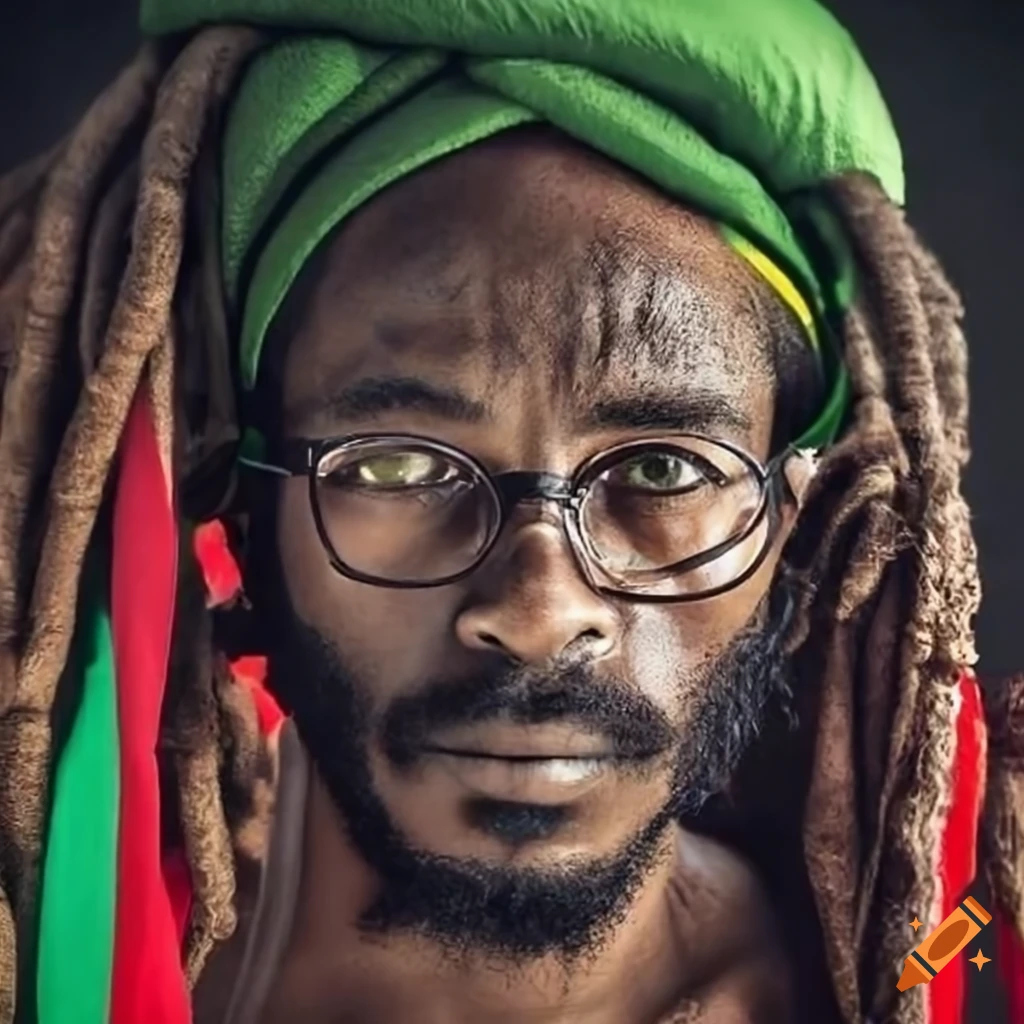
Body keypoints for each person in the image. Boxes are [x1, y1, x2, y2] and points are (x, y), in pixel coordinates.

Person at [0, 1, 1021, 1022]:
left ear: (789, 531)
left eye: (664, 469)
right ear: (246, 511)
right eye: (398, 465)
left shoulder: (919, 965)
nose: (538, 609)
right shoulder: (65, 969)